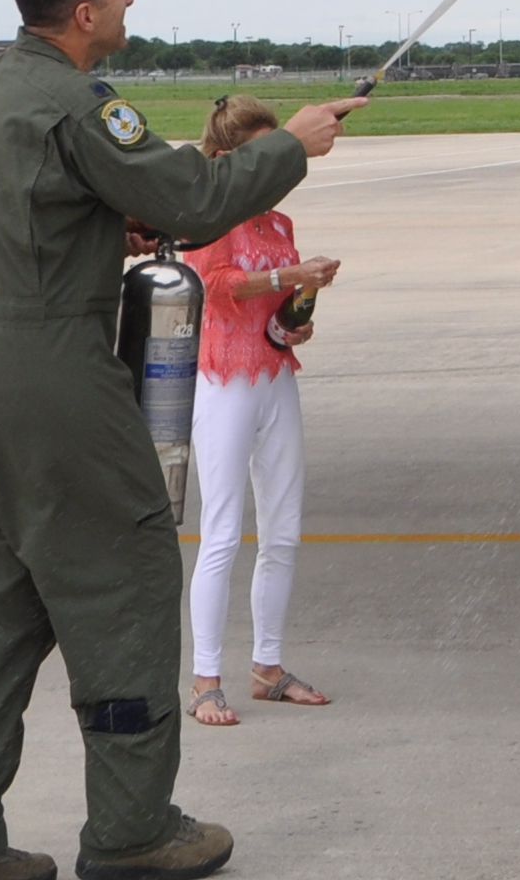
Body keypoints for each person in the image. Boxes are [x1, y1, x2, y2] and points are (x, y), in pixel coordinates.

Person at [0, 0, 360, 880]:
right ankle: (132, 830)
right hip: (52, 373)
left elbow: (41, 218)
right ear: (83, 14)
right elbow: (196, 195)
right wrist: (294, 145)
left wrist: (114, 227)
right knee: (127, 581)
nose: (127, 9)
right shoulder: (81, 102)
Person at [179, 95, 336, 723]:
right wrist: (287, 277)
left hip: (273, 376)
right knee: (221, 532)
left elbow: (269, 313)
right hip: (222, 381)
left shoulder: (278, 223)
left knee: (283, 530)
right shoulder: (209, 215)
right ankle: (204, 679)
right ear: (230, 157)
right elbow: (217, 286)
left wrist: (295, 319)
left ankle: (267, 667)